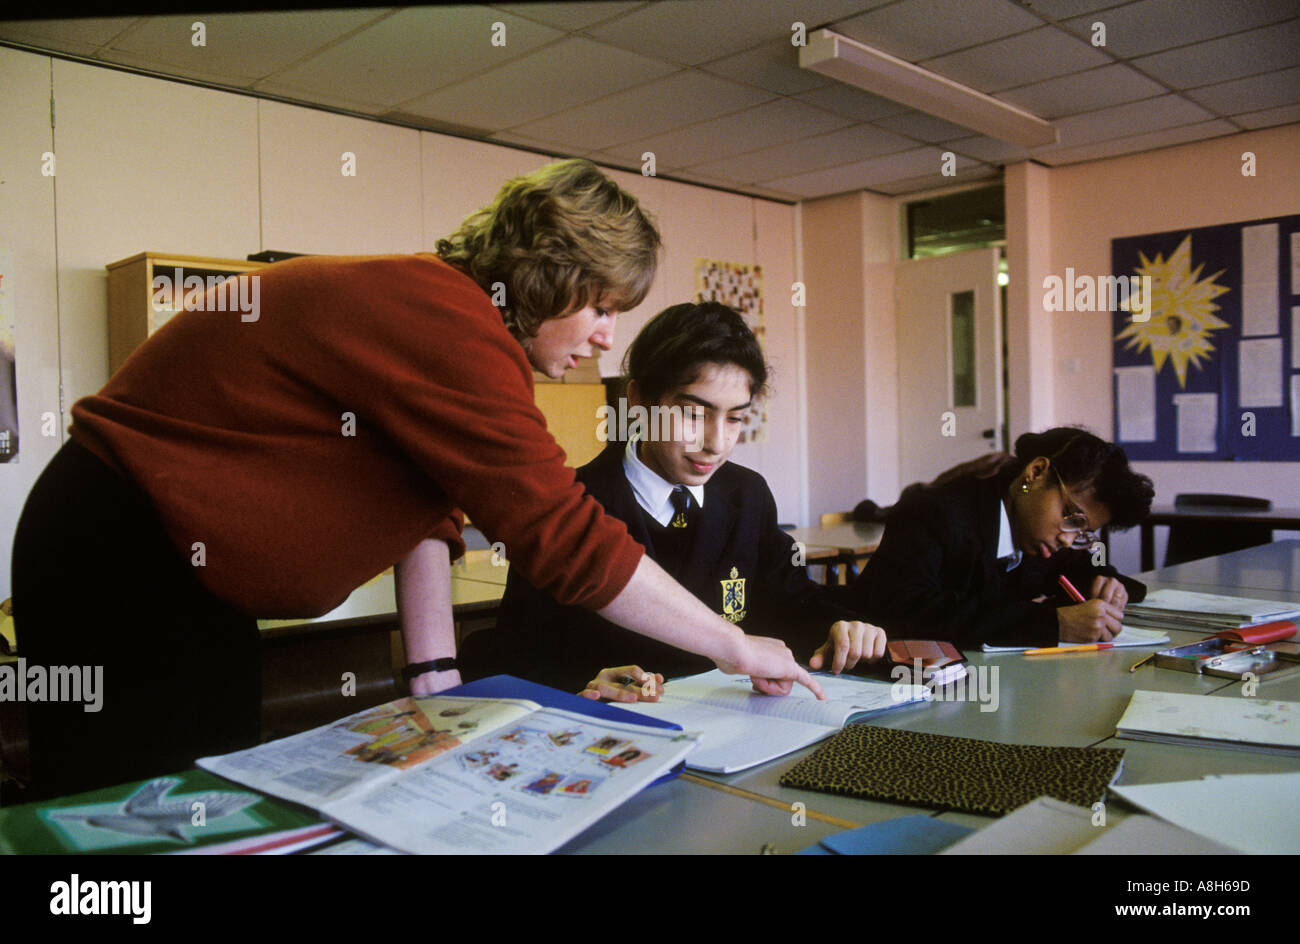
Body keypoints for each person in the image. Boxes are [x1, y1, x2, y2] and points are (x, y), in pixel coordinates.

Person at [12, 160, 820, 800]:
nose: (606, 338)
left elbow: (427, 513)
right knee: (123, 802)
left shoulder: (454, 319)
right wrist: (734, 644)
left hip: (176, 571)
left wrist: (434, 687)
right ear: (551, 274)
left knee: (200, 790)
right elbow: (562, 537)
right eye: (603, 306)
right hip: (118, 547)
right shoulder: (447, 317)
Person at [460, 301, 887, 700]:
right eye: (693, 414)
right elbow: (517, 655)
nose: (715, 444)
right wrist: (580, 685)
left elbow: (790, 600)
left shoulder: (747, 495)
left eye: (735, 418)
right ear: (640, 401)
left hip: (732, 729)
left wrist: (837, 627)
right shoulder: (570, 507)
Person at [843, 427, 1154, 649]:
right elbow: (905, 612)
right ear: (1035, 473)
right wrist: (1051, 624)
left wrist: (1105, 581)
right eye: (1071, 518)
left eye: (1083, 533)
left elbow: (1075, 565)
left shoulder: (1035, 534)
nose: (1068, 540)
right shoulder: (935, 512)